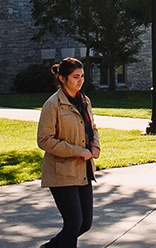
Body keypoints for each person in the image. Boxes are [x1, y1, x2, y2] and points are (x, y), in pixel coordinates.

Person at [38, 57, 101, 248]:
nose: (80, 80)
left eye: (82, 76)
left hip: (83, 170)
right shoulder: (53, 104)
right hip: (61, 172)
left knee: (84, 224)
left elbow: (92, 127)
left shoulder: (85, 101)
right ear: (63, 79)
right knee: (73, 223)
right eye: (75, 77)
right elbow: (44, 140)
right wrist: (78, 151)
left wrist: (95, 146)